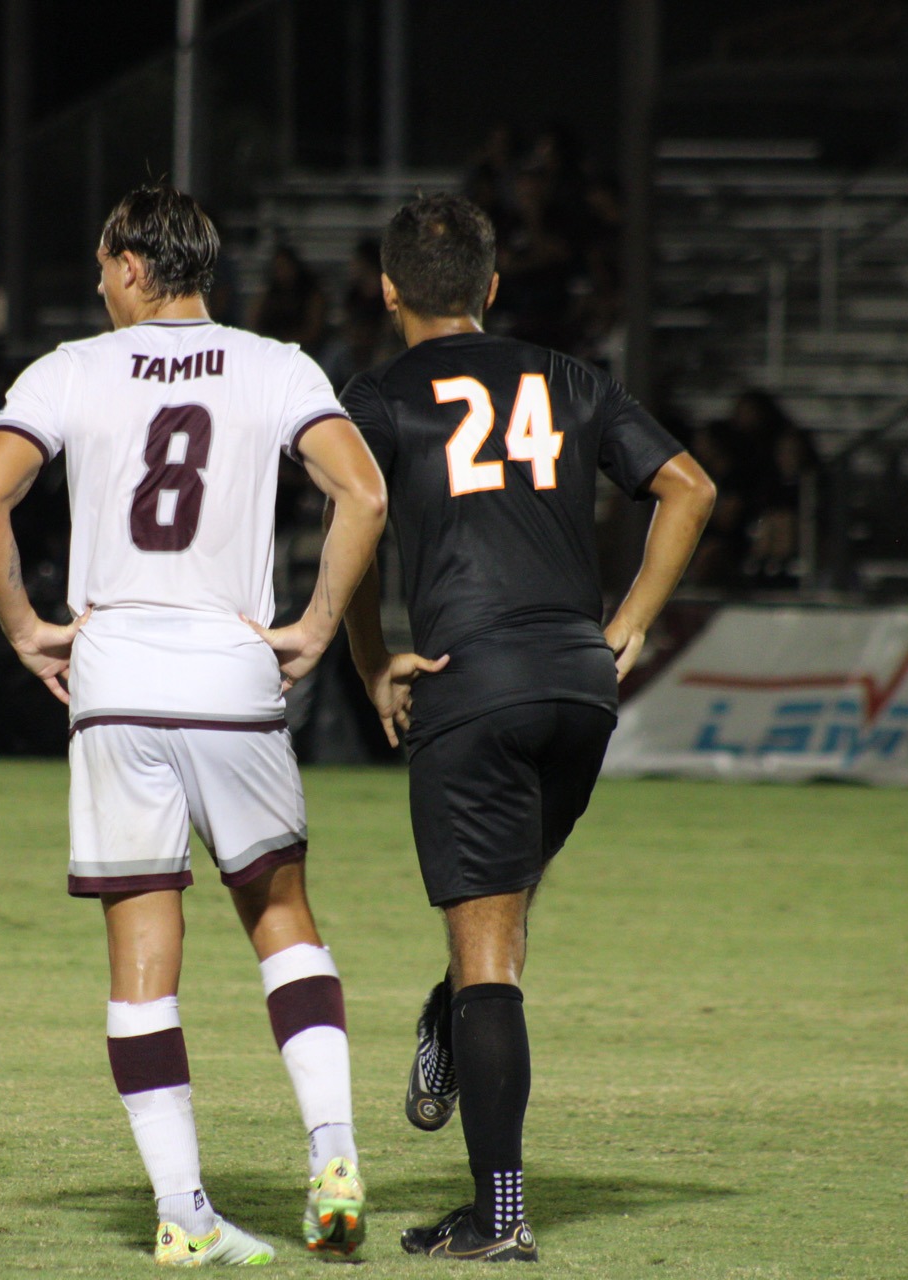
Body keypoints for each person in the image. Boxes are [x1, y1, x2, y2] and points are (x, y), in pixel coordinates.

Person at [0, 182, 389, 1265]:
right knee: (282, 913)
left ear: (138, 267)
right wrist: (317, 625)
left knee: (141, 947)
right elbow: (367, 495)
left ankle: (183, 1209)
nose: (98, 281)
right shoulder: (280, 364)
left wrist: (25, 626)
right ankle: (332, 1151)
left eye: (106, 263)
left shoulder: (66, 370)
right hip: (233, 672)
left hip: (114, 679)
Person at [336, 194, 714, 1262]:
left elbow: (355, 525)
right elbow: (689, 486)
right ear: (493, 289)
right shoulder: (568, 375)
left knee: (490, 951)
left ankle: (499, 1215)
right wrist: (629, 624)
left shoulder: (376, 394)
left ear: (389, 288)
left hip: (472, 681)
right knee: (502, 916)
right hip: (580, 687)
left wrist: (368, 660)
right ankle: (446, 1019)